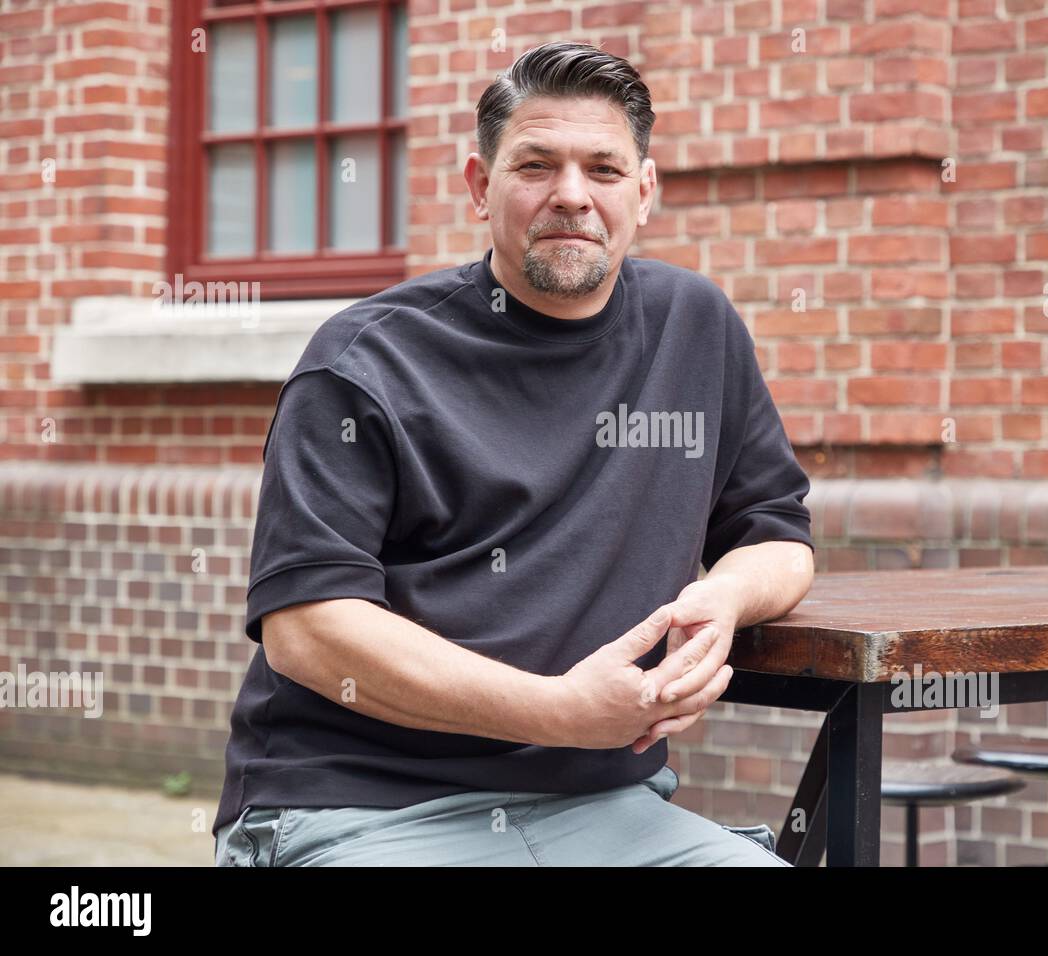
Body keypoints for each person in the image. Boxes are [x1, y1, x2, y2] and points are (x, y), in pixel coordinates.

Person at [213, 40, 815, 867]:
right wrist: (559, 711)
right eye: (536, 165)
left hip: (605, 810)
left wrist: (728, 601)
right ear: (478, 185)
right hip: (357, 807)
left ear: (644, 190)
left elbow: (776, 533)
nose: (571, 195)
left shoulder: (695, 325)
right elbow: (307, 631)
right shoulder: (364, 359)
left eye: (603, 169)